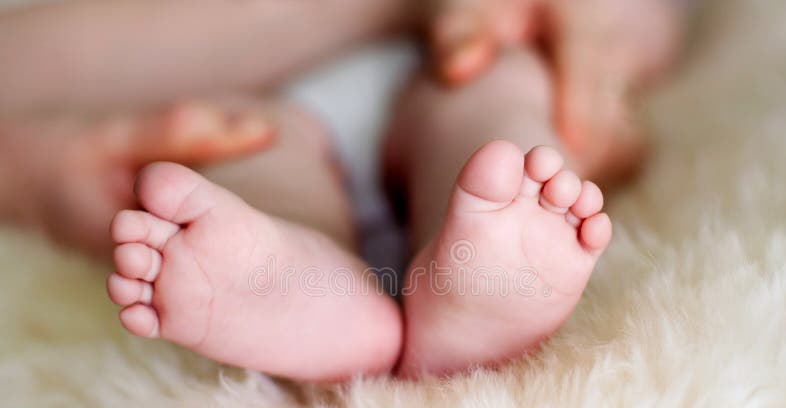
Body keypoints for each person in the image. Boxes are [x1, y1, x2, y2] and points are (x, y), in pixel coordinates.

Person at [0, 0, 688, 379]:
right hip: (249, 103)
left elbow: (650, 17)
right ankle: (312, 293)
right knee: (248, 168)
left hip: (461, 64)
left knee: (498, 123)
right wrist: (33, 170)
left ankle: (490, 272)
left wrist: (603, 29)